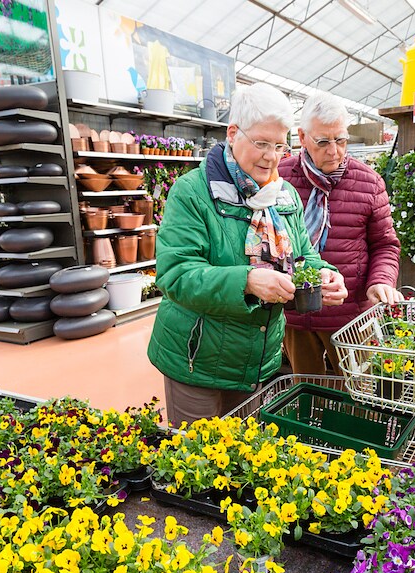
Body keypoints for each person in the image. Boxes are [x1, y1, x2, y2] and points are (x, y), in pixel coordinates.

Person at [147, 83, 348, 424]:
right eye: (261, 143)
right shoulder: (193, 193)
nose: (271, 156)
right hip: (198, 360)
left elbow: (302, 257)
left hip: (259, 359)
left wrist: (324, 273)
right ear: (232, 133)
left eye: (280, 146)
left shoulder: (282, 196)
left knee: (244, 461)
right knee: (197, 463)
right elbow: (175, 273)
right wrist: (248, 281)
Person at [278, 92, 401, 376]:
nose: (334, 151)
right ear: (302, 137)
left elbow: (385, 244)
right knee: (305, 391)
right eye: (323, 141)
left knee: (358, 393)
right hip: (296, 313)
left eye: (341, 140)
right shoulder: (279, 178)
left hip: (349, 318)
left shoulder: (368, 183)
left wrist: (380, 281)